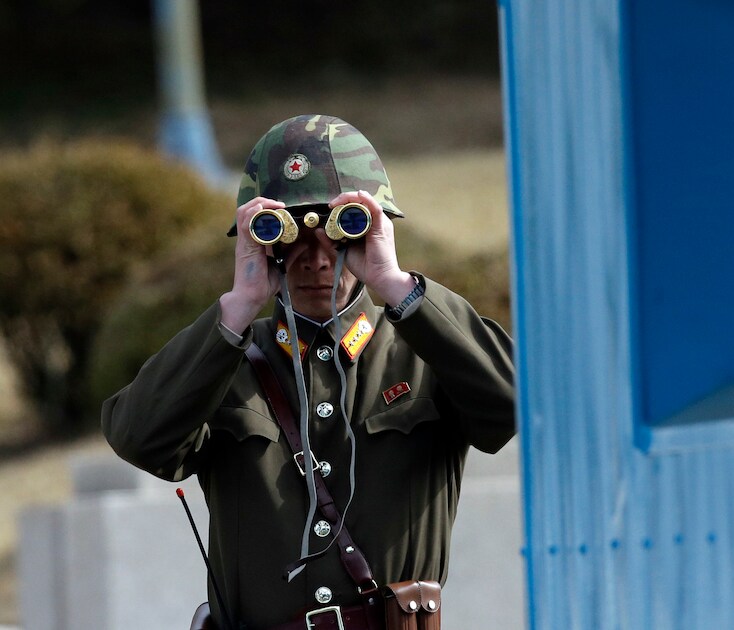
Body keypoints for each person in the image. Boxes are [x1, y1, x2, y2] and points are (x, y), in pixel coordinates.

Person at [102, 114, 516, 629]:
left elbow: (512, 404)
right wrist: (237, 307)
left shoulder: (425, 352)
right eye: (289, 232)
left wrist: (396, 284)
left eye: (341, 230)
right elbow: (138, 438)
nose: (316, 259)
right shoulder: (226, 363)